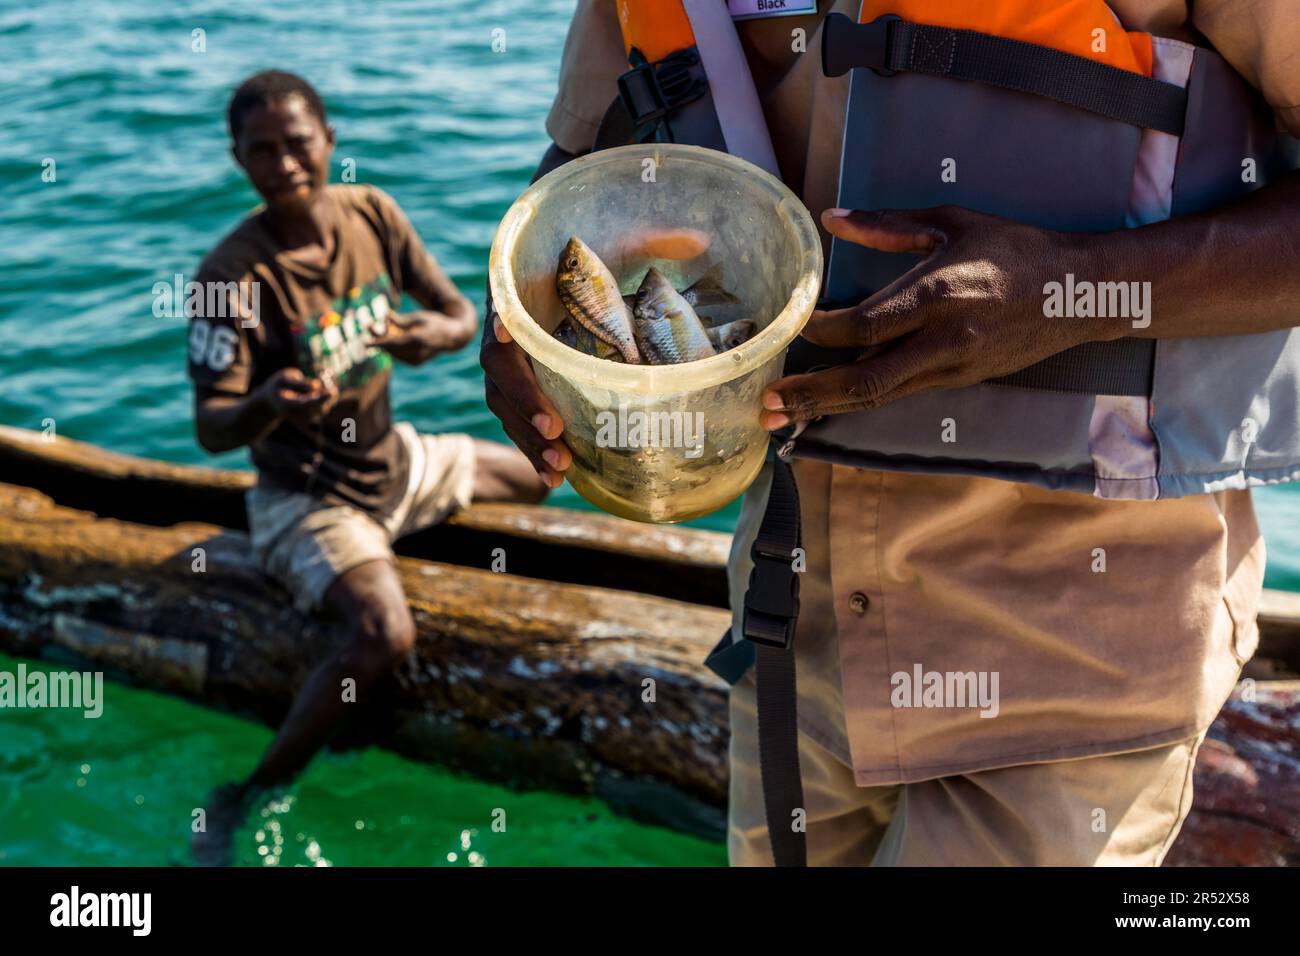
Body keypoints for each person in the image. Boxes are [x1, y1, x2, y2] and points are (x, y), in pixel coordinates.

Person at [481, 1, 1300, 865]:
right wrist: (517, 317)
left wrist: (1073, 288)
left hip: (1076, 649)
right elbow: (585, 168)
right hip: (791, 618)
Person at [187, 70, 546, 865]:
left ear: (329, 142)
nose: (283, 163)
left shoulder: (371, 212)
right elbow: (212, 428)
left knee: (551, 467)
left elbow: (458, 315)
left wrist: (430, 337)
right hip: (309, 501)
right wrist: (268, 403)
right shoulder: (231, 277)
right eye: (262, 151)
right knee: (385, 633)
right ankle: (242, 796)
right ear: (238, 160)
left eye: (297, 143)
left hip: (399, 462)